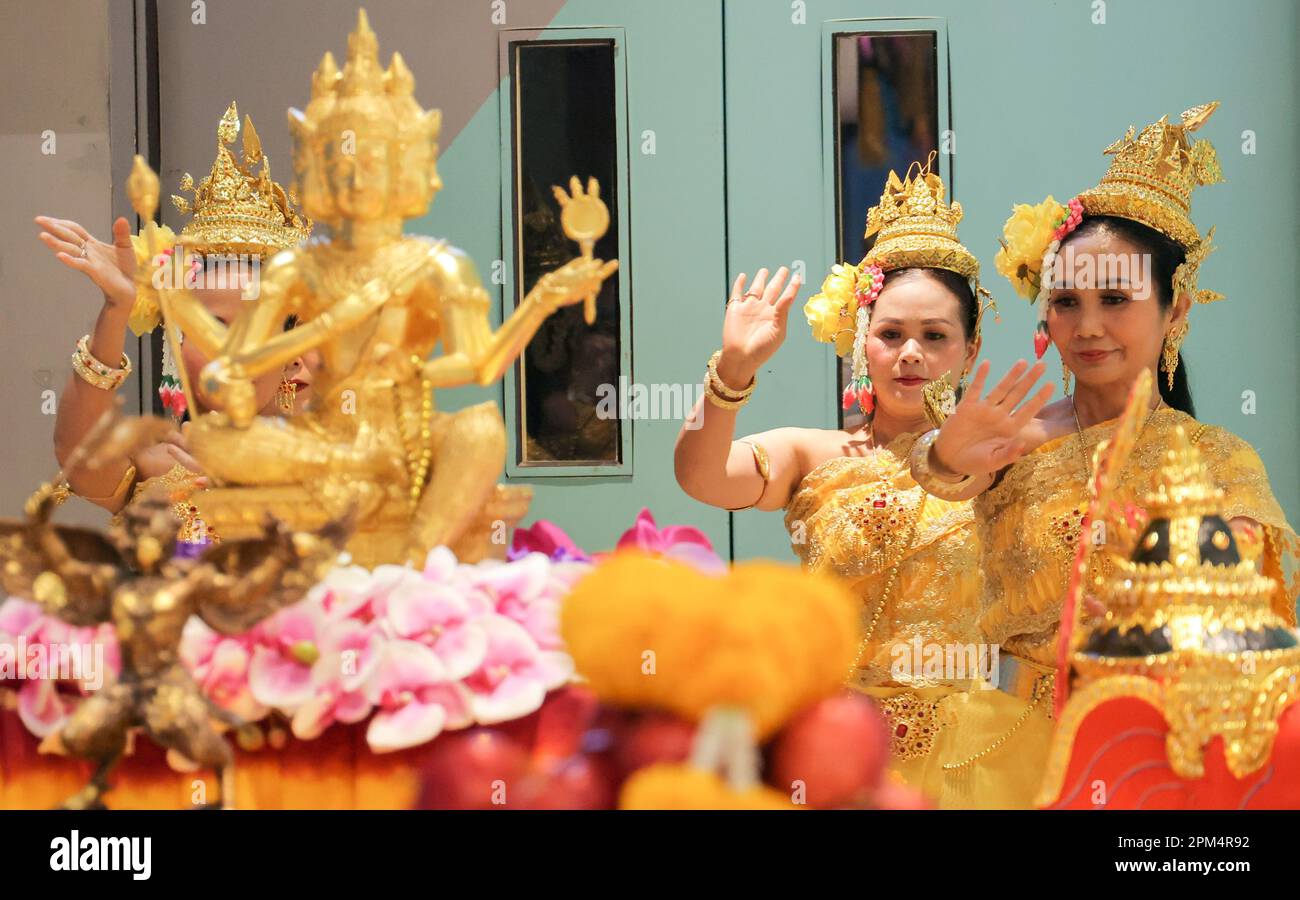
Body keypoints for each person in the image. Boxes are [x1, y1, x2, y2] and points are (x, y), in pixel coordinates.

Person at [907, 102, 1300, 807]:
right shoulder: (1014, 439)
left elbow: (1247, 621)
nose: (1087, 327)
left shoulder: (1218, 460)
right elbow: (947, 477)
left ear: (1176, 309)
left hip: (1155, 757)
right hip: (1002, 756)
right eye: (1065, 301)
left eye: (1116, 298)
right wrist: (943, 456)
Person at [674, 157, 997, 800]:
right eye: (891, 334)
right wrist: (733, 371)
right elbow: (702, 476)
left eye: (935, 336)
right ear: (860, 342)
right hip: (831, 742)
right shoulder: (812, 454)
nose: (911, 354)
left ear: (970, 348)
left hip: (966, 755)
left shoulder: (999, 460)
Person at [37, 102, 316, 538]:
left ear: (290, 357)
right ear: (177, 341)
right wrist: (115, 311)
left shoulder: (328, 470)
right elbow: (77, 452)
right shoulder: (157, 467)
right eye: (213, 327)